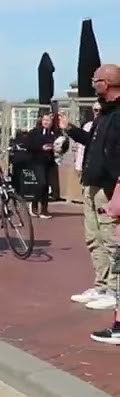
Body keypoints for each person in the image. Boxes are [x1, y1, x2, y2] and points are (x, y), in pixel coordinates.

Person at [60, 66, 120, 320]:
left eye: (95, 80)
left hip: (109, 187)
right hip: (92, 184)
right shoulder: (103, 114)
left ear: (106, 83)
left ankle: (114, 291)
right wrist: (70, 129)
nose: (93, 84)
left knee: (111, 239)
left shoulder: (117, 115)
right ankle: (101, 285)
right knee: (93, 237)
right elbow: (91, 142)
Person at [25, 112, 59, 218]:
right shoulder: (34, 132)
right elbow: (27, 145)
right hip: (37, 161)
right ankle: (33, 203)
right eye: (44, 120)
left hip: (50, 162)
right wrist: (41, 147)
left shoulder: (55, 133)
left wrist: (56, 148)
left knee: (47, 186)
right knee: (42, 183)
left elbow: (61, 145)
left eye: (48, 120)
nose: (46, 122)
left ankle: (44, 210)